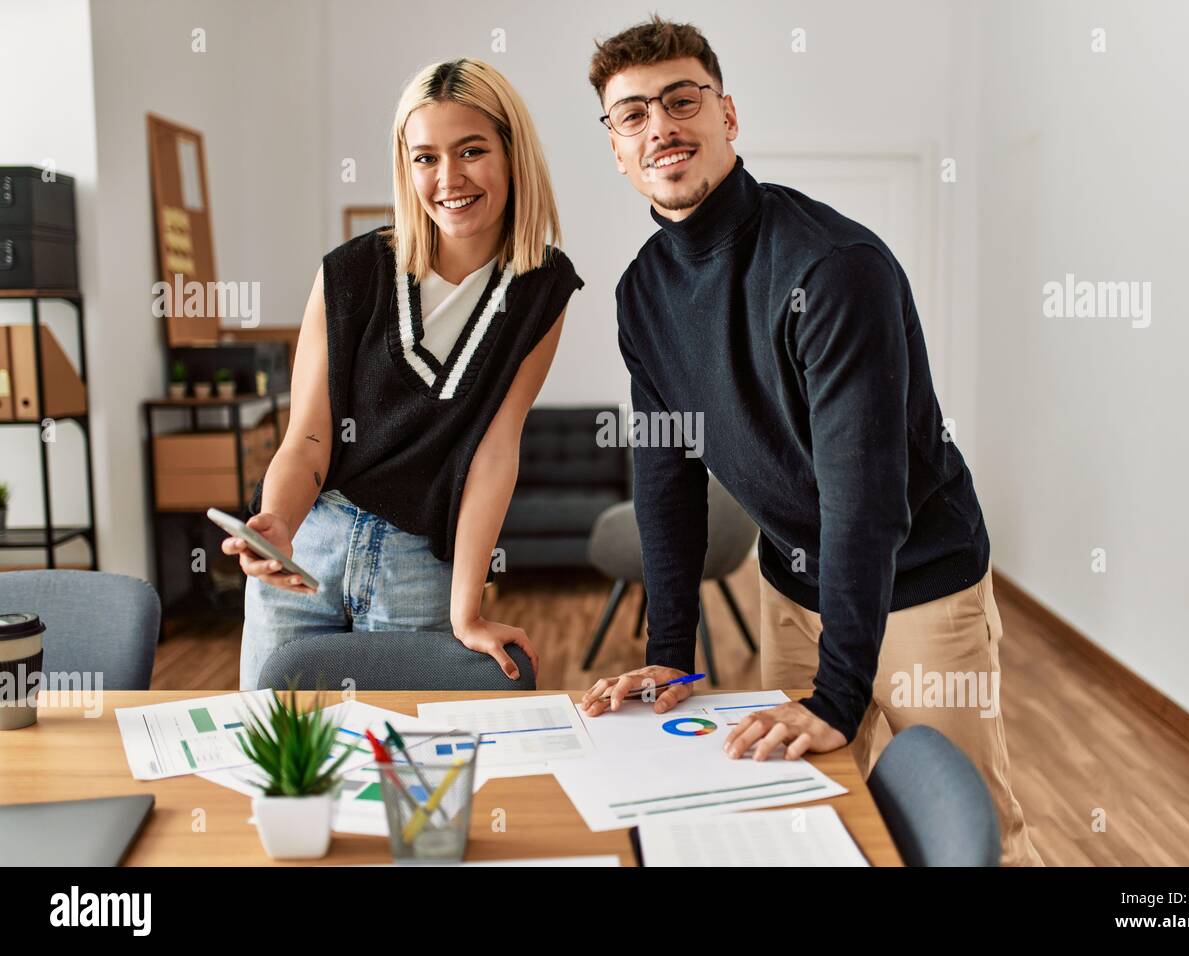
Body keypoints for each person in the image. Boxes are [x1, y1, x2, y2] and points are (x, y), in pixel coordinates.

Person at [578, 17, 1041, 865]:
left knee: (970, 836)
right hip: (788, 586)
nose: (661, 127)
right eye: (632, 114)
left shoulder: (830, 267)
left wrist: (838, 693)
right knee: (807, 816)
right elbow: (667, 480)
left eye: (683, 101)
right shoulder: (641, 293)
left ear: (728, 116)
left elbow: (863, 498)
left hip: (918, 587)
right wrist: (672, 660)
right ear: (615, 146)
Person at [231, 58, 582, 691]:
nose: (449, 178)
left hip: (421, 564)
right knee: (279, 761)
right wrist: (278, 521)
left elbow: (495, 453)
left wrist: (466, 609)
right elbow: (307, 437)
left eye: (471, 150)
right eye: (425, 157)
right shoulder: (350, 273)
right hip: (313, 546)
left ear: (512, 154)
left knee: (406, 767)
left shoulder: (543, 288)